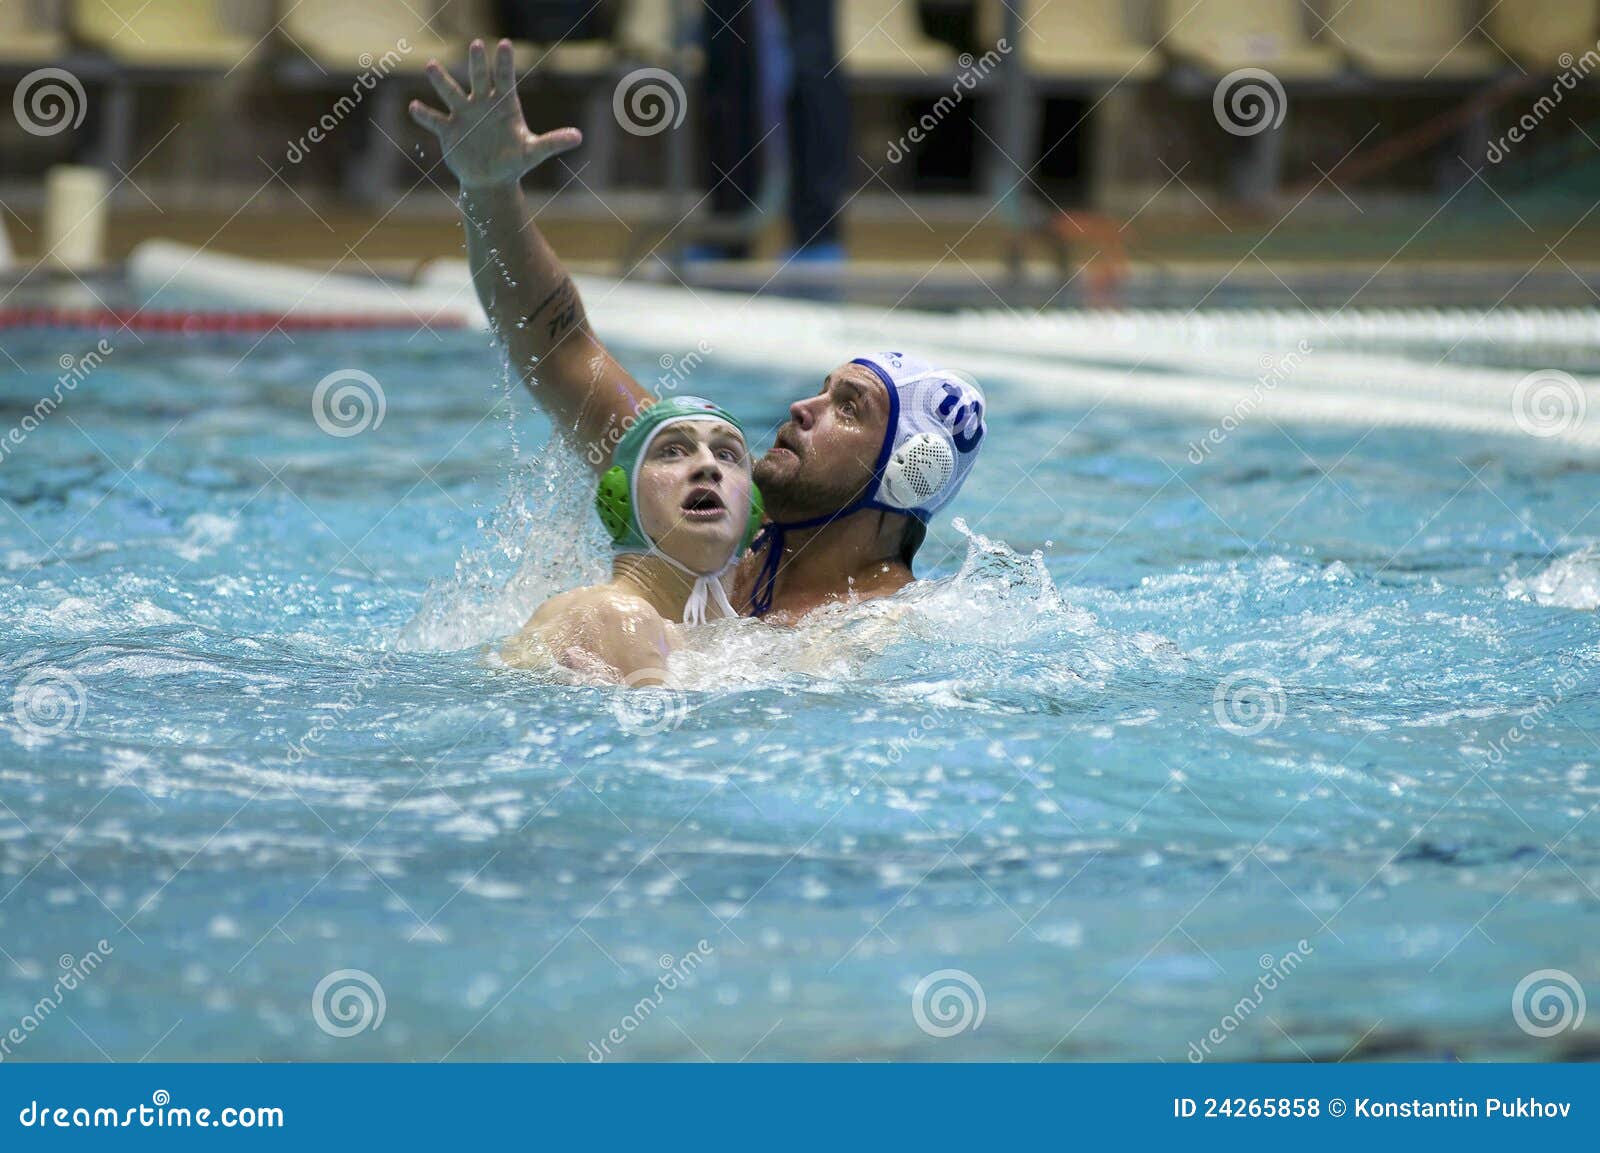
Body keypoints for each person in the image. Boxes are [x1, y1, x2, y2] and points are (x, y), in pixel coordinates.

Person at [409, 41, 985, 626]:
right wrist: (489, 190)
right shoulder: (708, 506)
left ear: (909, 472)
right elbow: (558, 347)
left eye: (849, 407)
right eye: (824, 388)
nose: (803, 407)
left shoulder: (891, 627)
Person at [499, 396, 761, 682]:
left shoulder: (735, 637)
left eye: (726, 454)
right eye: (672, 451)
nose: (709, 465)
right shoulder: (619, 615)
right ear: (620, 495)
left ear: (754, 508)